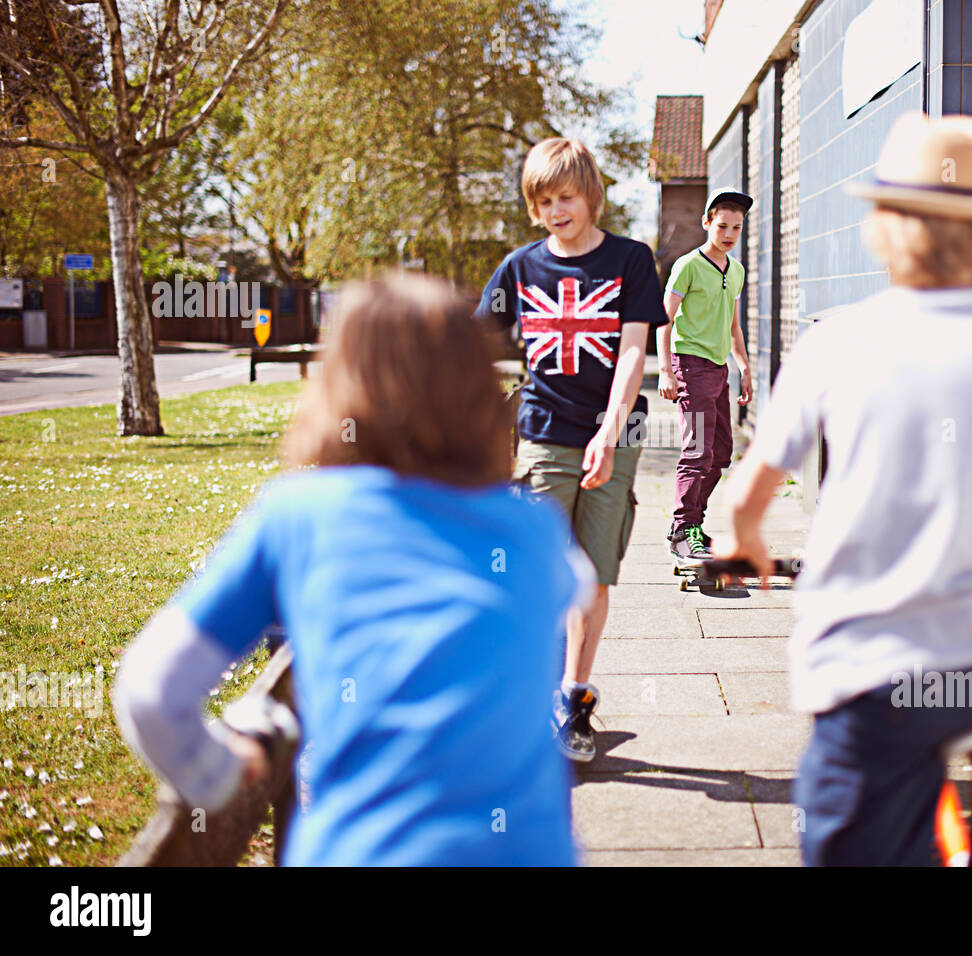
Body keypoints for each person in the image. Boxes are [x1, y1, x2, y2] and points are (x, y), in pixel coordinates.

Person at [717, 112, 972, 866]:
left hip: (877, 675)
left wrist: (744, 543)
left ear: (883, 228)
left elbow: (751, 490)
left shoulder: (835, 341)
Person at [114, 275, 592, 866]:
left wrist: (217, 774)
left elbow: (151, 690)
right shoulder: (533, 526)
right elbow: (580, 588)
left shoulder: (298, 516)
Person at [475, 137, 668, 763]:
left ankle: (572, 698)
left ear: (591, 194)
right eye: (544, 201)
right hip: (543, 431)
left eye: (567, 197)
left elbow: (636, 351)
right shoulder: (520, 268)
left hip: (621, 428)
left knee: (593, 574)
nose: (556, 210)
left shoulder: (631, 261)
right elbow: (473, 341)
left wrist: (610, 432)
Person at [658, 188, 755, 565]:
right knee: (697, 451)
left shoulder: (736, 270)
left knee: (721, 454)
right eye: (722, 225)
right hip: (690, 366)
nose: (729, 233)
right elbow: (663, 320)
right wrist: (666, 370)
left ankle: (691, 525)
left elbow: (732, 326)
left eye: (737, 227)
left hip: (717, 369)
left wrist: (745, 367)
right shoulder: (688, 265)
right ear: (706, 223)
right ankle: (683, 530)